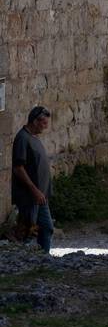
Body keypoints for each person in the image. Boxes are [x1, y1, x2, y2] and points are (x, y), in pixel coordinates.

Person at [10, 106, 54, 252]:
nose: (45, 127)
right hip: (30, 196)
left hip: (40, 196)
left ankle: (43, 259)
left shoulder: (33, 138)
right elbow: (18, 168)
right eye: (43, 123)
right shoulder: (22, 138)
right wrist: (34, 190)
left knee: (44, 228)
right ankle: (27, 261)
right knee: (30, 232)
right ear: (35, 121)